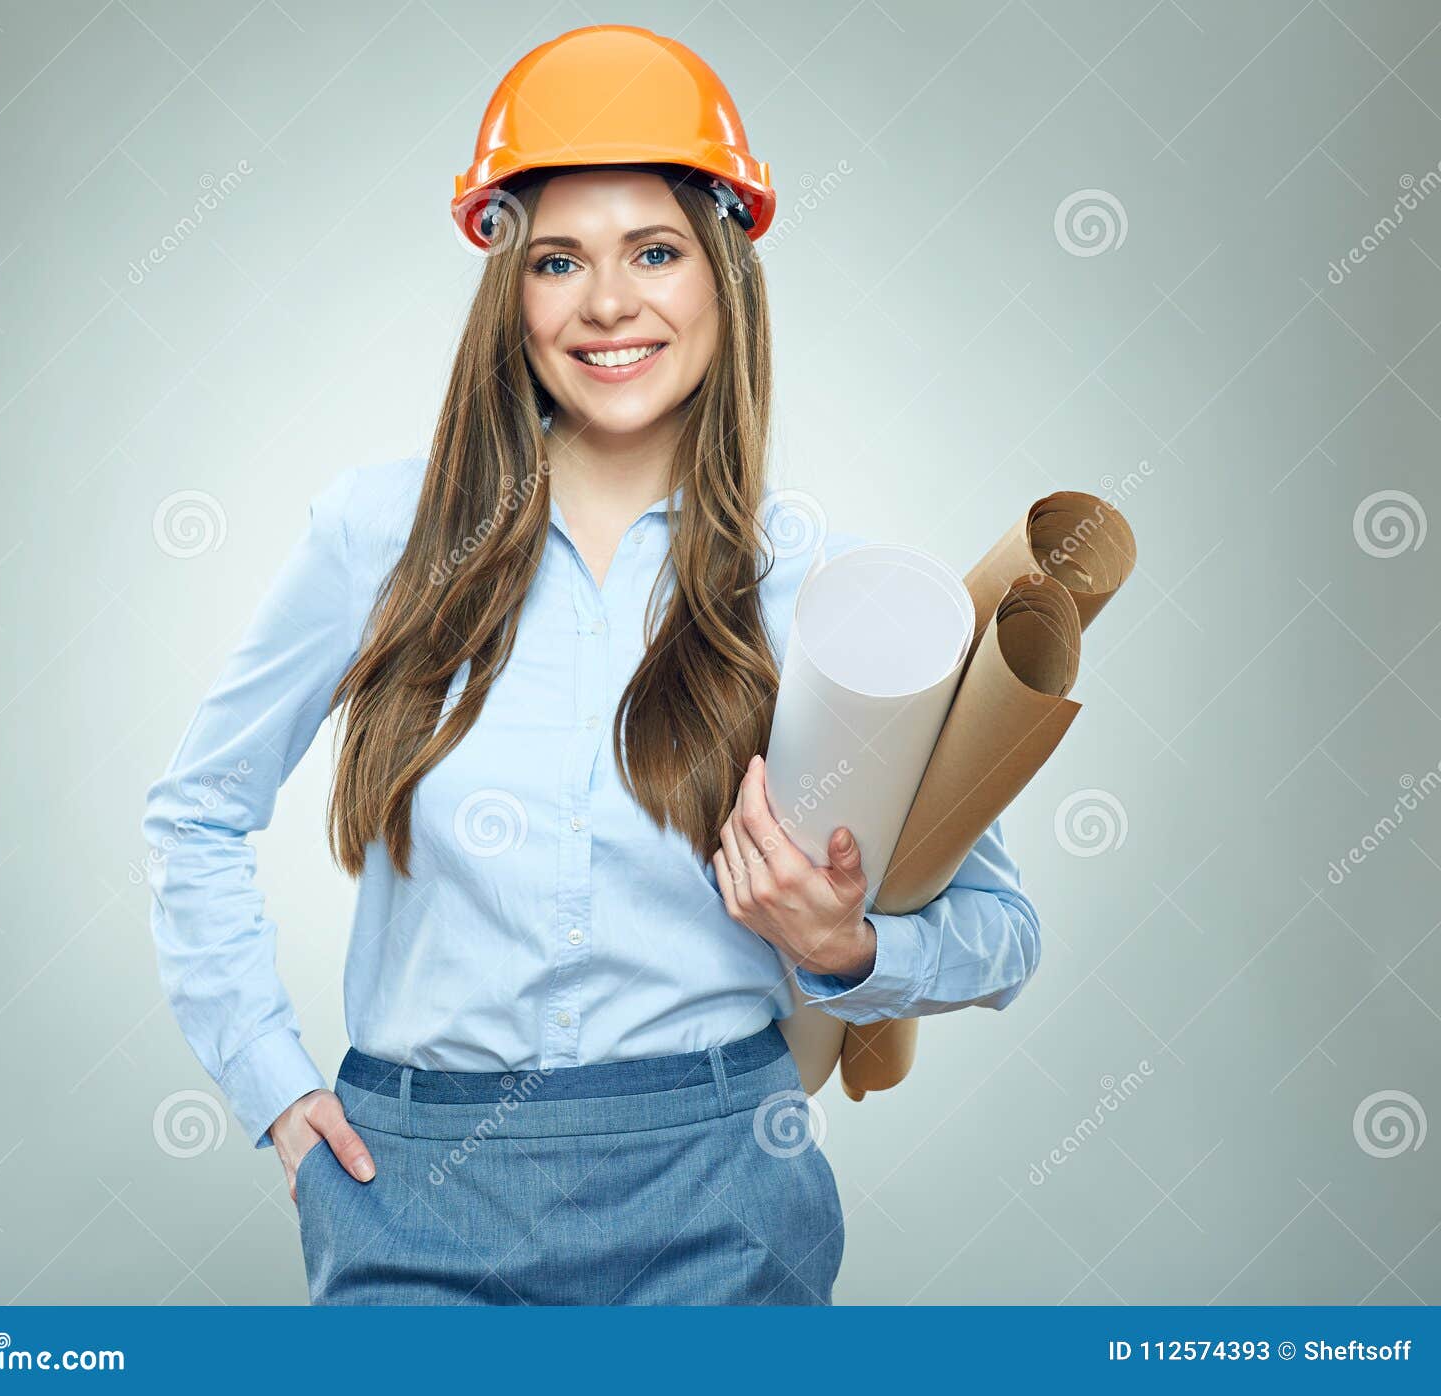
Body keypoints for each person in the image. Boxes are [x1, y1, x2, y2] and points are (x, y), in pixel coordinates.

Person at [142, 24, 1041, 1307]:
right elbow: (195, 811)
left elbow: (1003, 933)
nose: (607, 304)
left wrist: (848, 952)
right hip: (413, 1184)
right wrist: (274, 1089)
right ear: (508, 288)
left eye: (656, 253)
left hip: (721, 1184)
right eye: (558, 259)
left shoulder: (817, 586)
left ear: (725, 277)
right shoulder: (377, 536)